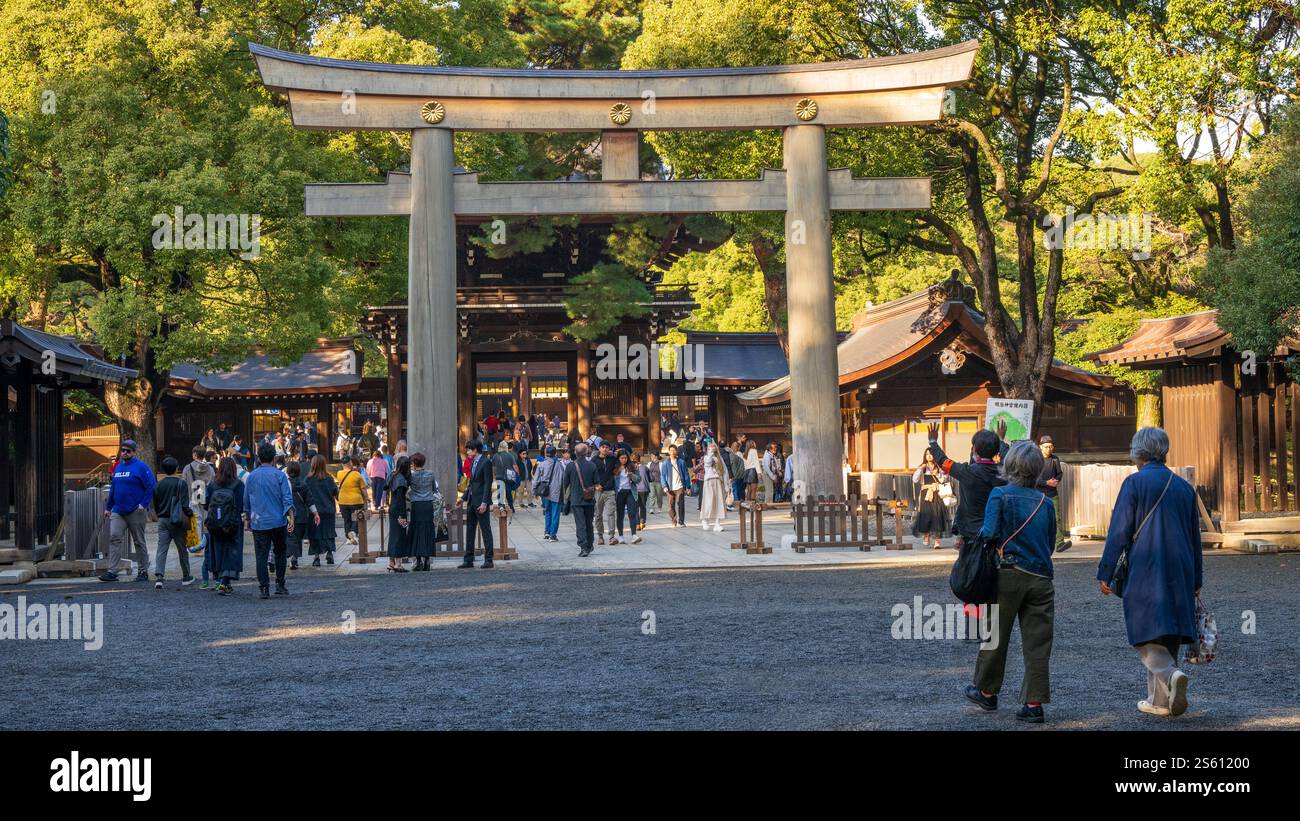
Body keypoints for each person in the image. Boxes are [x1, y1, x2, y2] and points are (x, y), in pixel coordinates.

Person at [1097, 427, 1203, 718]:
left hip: (1145, 562)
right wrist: (1197, 579)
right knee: (1168, 624)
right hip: (1181, 564)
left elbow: (1119, 531)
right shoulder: (1183, 487)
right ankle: (1160, 702)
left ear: (1139, 452)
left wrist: (1105, 571)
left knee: (1142, 627)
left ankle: (1170, 674)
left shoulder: (1134, 484)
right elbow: (1195, 537)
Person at [964, 441, 1057, 724]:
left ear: (1010, 466)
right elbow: (1050, 543)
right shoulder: (1046, 502)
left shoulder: (999, 495)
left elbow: (990, 533)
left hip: (1007, 574)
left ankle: (987, 691)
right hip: (1041, 579)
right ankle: (1033, 703)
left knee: (995, 635)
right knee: (1037, 644)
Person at [925, 421, 1009, 549]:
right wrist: (1001, 440)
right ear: (997, 450)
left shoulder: (966, 472)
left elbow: (943, 461)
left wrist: (932, 442)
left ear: (974, 449)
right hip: (996, 529)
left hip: (970, 531)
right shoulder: (1004, 474)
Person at [99, 440, 156, 583]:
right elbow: (113, 489)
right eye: (123, 450)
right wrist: (108, 507)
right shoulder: (117, 467)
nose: (124, 452)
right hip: (118, 510)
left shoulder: (141, 467)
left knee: (139, 541)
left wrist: (143, 504)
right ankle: (112, 571)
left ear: (134, 452)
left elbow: (151, 485)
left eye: (128, 451)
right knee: (114, 538)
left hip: (136, 510)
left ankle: (143, 571)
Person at [246, 443, 294, 599]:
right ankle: (280, 584)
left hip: (258, 521)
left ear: (259, 458)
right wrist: (291, 517)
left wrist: (248, 518)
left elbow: (246, 501)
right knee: (280, 553)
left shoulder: (251, 476)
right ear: (274, 458)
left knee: (261, 555)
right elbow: (287, 498)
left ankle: (264, 588)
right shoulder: (280, 475)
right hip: (278, 520)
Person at [204, 456, 245, 595]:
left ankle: (220, 578)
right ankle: (226, 580)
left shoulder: (212, 484)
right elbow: (241, 505)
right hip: (233, 523)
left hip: (215, 524)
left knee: (218, 550)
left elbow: (206, 504)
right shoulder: (238, 485)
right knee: (232, 550)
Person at [151, 456, 193, 589]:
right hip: (177, 520)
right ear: (177, 469)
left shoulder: (158, 484)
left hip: (162, 519)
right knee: (182, 549)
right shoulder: (181, 483)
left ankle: (159, 577)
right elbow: (185, 505)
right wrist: (190, 514)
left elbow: (155, 504)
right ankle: (186, 576)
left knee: (162, 548)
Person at [459, 440, 495, 568]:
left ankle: (489, 559)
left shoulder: (486, 462)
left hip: (481, 502)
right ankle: (468, 559)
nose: (467, 452)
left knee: (485, 530)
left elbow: (487, 484)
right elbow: (471, 483)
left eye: (469, 449)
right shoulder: (473, 462)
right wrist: (463, 498)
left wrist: (485, 502)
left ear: (475, 450)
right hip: (471, 501)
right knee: (470, 530)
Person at [561, 443, 600, 557]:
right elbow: (596, 482)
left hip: (576, 499)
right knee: (589, 523)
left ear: (575, 453)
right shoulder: (592, 465)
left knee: (580, 523)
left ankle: (583, 546)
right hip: (589, 498)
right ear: (586, 452)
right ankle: (589, 544)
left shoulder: (570, 466)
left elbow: (565, 483)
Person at [1035, 435, 1071, 552]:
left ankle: (1060, 543)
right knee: (1039, 519)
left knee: (1056, 518)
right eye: (1046, 447)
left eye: (1051, 446)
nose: (1048, 449)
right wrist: (1046, 482)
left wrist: (1057, 481)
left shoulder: (1055, 459)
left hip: (1052, 493)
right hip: (1038, 494)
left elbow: (1059, 473)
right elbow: (1033, 478)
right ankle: (1039, 543)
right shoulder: (1035, 459)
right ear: (1040, 447)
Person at [408, 452, 442, 571]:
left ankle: (417, 560)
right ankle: (427, 558)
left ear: (413, 463)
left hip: (416, 505)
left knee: (416, 530)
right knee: (428, 529)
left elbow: (409, 489)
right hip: (428, 504)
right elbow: (434, 489)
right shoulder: (430, 474)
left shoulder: (411, 476)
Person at [912, 448, 951, 549]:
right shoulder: (923, 468)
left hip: (937, 493)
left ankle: (937, 540)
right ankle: (926, 535)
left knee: (937, 515)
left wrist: (938, 474)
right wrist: (920, 469)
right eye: (927, 454)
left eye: (931, 454)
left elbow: (943, 480)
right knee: (926, 515)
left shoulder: (939, 467)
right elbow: (915, 479)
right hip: (926, 494)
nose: (929, 456)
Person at [305, 454, 338, 566]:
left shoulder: (308, 479)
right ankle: (329, 553)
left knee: (315, 534)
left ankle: (317, 556)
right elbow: (335, 492)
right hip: (328, 510)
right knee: (329, 533)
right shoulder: (329, 479)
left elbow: (305, 495)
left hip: (314, 511)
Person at [182, 446, 215, 554]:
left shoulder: (187, 468)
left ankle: (198, 545)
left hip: (193, 495)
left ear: (195, 454)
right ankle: (207, 547)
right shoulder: (210, 469)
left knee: (196, 521)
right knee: (206, 521)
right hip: (206, 497)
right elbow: (213, 482)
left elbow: (184, 483)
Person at [385, 455, 412, 571]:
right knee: (399, 536)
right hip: (399, 509)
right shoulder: (401, 480)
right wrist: (402, 515)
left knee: (393, 535)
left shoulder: (393, 474)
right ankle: (398, 563)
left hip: (392, 508)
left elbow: (385, 487)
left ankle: (391, 562)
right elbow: (401, 500)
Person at [532, 446, 564, 541]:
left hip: (544, 491)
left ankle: (547, 531)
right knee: (555, 513)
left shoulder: (541, 465)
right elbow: (563, 479)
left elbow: (536, 479)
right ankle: (553, 535)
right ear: (555, 454)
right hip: (556, 492)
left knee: (548, 511)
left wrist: (534, 491)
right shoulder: (559, 465)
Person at [611, 451, 643, 544]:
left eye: (625, 458)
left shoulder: (632, 466)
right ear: (618, 459)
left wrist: (632, 475)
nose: (624, 460)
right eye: (621, 458)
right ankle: (621, 536)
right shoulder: (615, 468)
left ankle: (634, 535)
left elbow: (638, 480)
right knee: (620, 514)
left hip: (630, 492)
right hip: (619, 493)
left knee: (632, 513)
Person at [336, 456, 369, 545]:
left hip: (343, 501)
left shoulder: (339, 474)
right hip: (356, 500)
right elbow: (363, 488)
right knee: (356, 518)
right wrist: (367, 498)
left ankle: (348, 538)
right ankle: (354, 532)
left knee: (347, 520)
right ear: (350, 463)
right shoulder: (357, 474)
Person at [591, 441, 619, 545]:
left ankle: (611, 536)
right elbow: (591, 475)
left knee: (611, 513)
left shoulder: (612, 459)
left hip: (610, 490)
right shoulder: (594, 460)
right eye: (603, 447)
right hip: (598, 491)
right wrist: (595, 485)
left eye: (607, 447)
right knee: (598, 514)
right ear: (599, 448)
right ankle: (600, 536)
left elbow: (623, 459)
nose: (605, 449)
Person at [699, 442, 730, 531]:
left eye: (713, 446)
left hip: (718, 481)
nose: (712, 448)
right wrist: (711, 452)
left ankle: (717, 523)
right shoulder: (706, 457)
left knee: (719, 502)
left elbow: (724, 471)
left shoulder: (719, 458)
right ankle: (704, 519)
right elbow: (708, 463)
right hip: (709, 481)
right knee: (708, 502)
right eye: (710, 447)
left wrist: (727, 485)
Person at [286, 460, 311, 570]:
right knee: (298, 538)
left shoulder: (285, 485)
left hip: (287, 516)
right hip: (301, 515)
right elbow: (309, 500)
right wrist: (315, 513)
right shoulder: (303, 484)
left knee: (290, 537)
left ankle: (291, 556)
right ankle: (295, 557)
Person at [660, 444, 689, 526]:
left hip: (680, 486)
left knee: (681, 503)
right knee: (671, 506)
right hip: (670, 487)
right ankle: (674, 520)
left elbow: (686, 474)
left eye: (674, 450)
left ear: (677, 451)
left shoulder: (681, 462)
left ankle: (681, 521)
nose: (672, 452)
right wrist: (664, 486)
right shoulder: (665, 463)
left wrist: (688, 486)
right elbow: (662, 475)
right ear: (669, 452)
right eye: (671, 450)